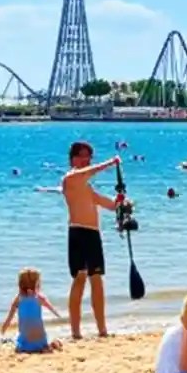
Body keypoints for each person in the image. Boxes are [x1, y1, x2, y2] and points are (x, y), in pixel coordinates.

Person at [60, 141, 120, 339]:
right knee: (79, 278)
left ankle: (102, 329)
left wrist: (120, 203)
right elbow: (88, 172)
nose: (86, 160)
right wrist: (110, 163)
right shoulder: (70, 179)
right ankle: (75, 332)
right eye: (82, 156)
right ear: (73, 158)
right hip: (78, 233)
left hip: (93, 234)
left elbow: (109, 205)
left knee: (96, 279)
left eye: (88, 156)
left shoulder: (86, 187)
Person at [0, 267, 63, 353]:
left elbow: (9, 317)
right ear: (37, 283)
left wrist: (3, 329)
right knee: (46, 342)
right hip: (41, 341)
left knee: (18, 343)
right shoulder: (39, 297)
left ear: (20, 284)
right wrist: (59, 316)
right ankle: (53, 344)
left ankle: (48, 345)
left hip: (25, 343)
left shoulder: (19, 298)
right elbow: (52, 309)